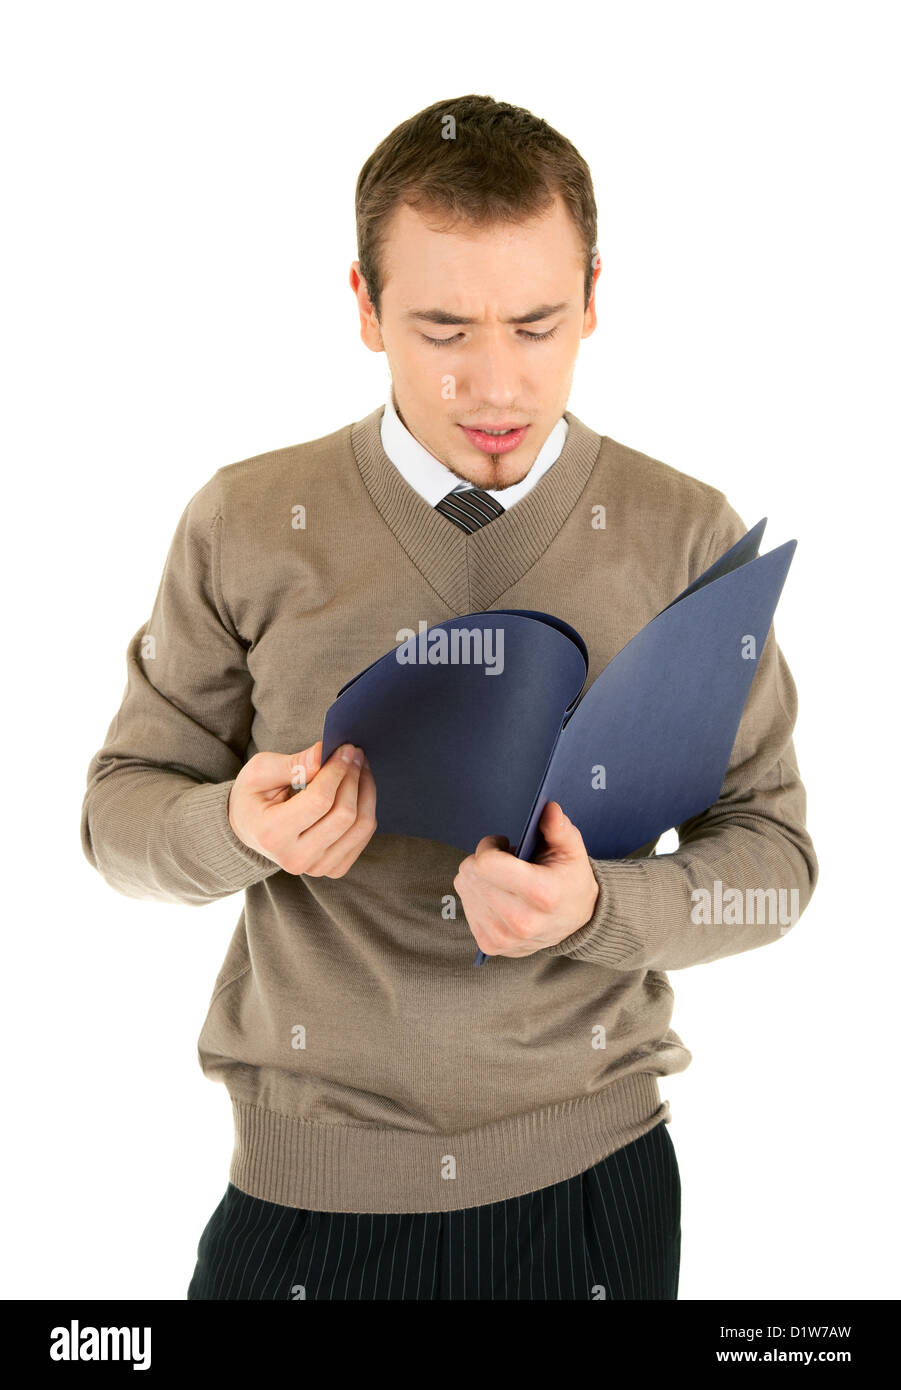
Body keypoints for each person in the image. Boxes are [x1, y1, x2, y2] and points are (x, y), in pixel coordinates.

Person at [80, 93, 818, 1301]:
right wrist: (236, 829)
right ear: (364, 310)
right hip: (305, 1193)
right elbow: (116, 819)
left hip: (594, 1189)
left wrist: (597, 908)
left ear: (593, 296)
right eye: (439, 327)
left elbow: (774, 860)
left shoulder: (683, 533)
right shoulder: (247, 520)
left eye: (535, 324)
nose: (493, 382)